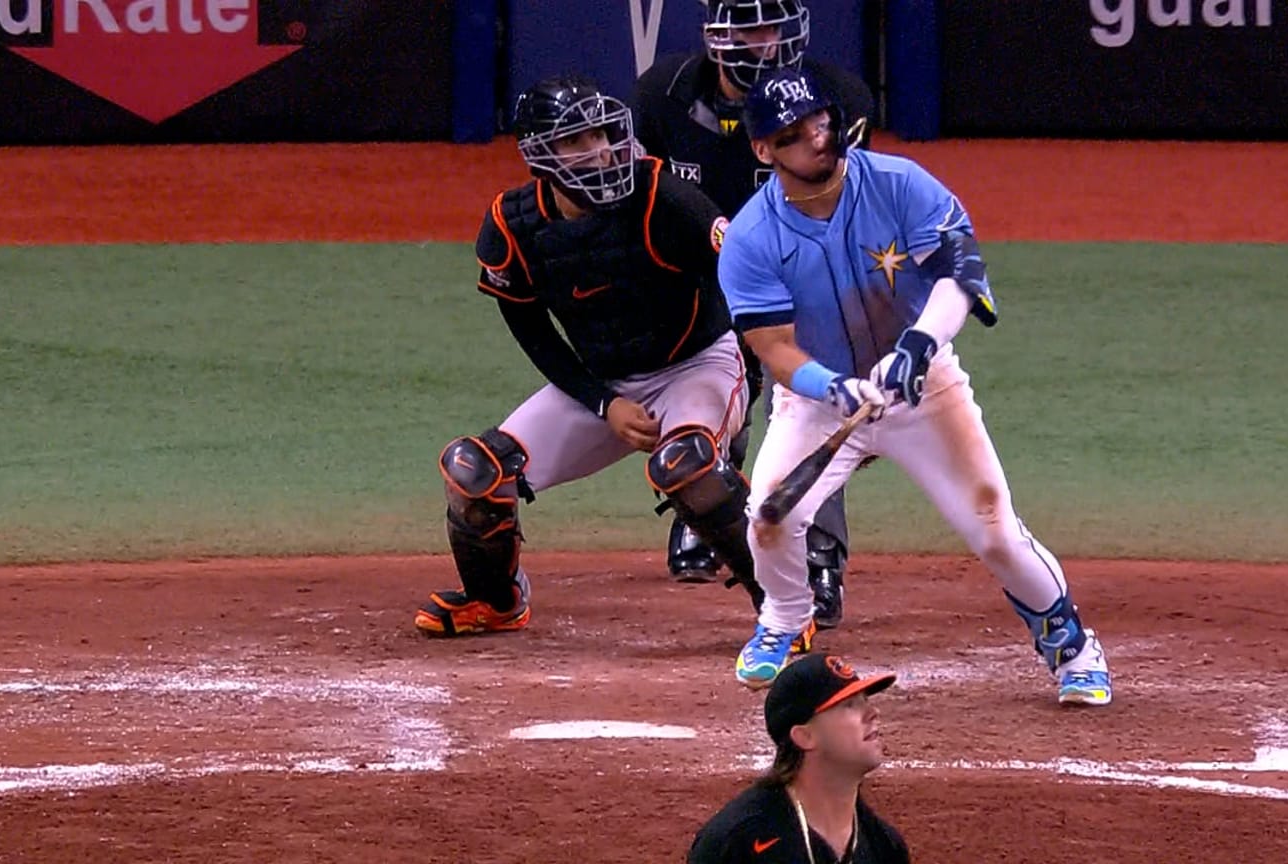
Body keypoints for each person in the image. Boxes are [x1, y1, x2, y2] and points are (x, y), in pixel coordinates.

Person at [717, 67, 1114, 707]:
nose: (818, 137)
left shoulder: (898, 184)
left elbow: (962, 272)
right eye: (795, 133)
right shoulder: (751, 237)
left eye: (821, 120)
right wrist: (835, 389)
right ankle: (786, 620)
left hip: (921, 388)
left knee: (993, 528)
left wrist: (918, 345)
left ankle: (1071, 647)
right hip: (820, 400)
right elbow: (774, 349)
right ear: (764, 151)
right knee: (769, 513)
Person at [413, 74, 764, 636]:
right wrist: (604, 404)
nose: (598, 151)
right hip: (606, 384)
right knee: (473, 471)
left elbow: (748, 279)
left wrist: (755, 381)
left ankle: (782, 604)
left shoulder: (660, 195)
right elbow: (534, 332)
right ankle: (495, 601)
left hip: (700, 365)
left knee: (688, 468)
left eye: (601, 136)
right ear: (541, 154)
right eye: (577, 142)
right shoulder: (513, 225)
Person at [633, 0, 874, 630]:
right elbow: (643, 198)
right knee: (711, 380)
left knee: (809, 403)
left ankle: (819, 557)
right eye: (742, 26)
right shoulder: (662, 94)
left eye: (767, 25)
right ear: (714, 34)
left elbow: (834, 202)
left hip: (801, 265)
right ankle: (708, 520)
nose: (755, 41)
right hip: (697, 272)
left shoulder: (836, 97)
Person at [687, 653, 910, 863]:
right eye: (849, 705)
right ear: (804, 736)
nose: (872, 713)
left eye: (865, 701)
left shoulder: (884, 848)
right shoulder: (736, 843)